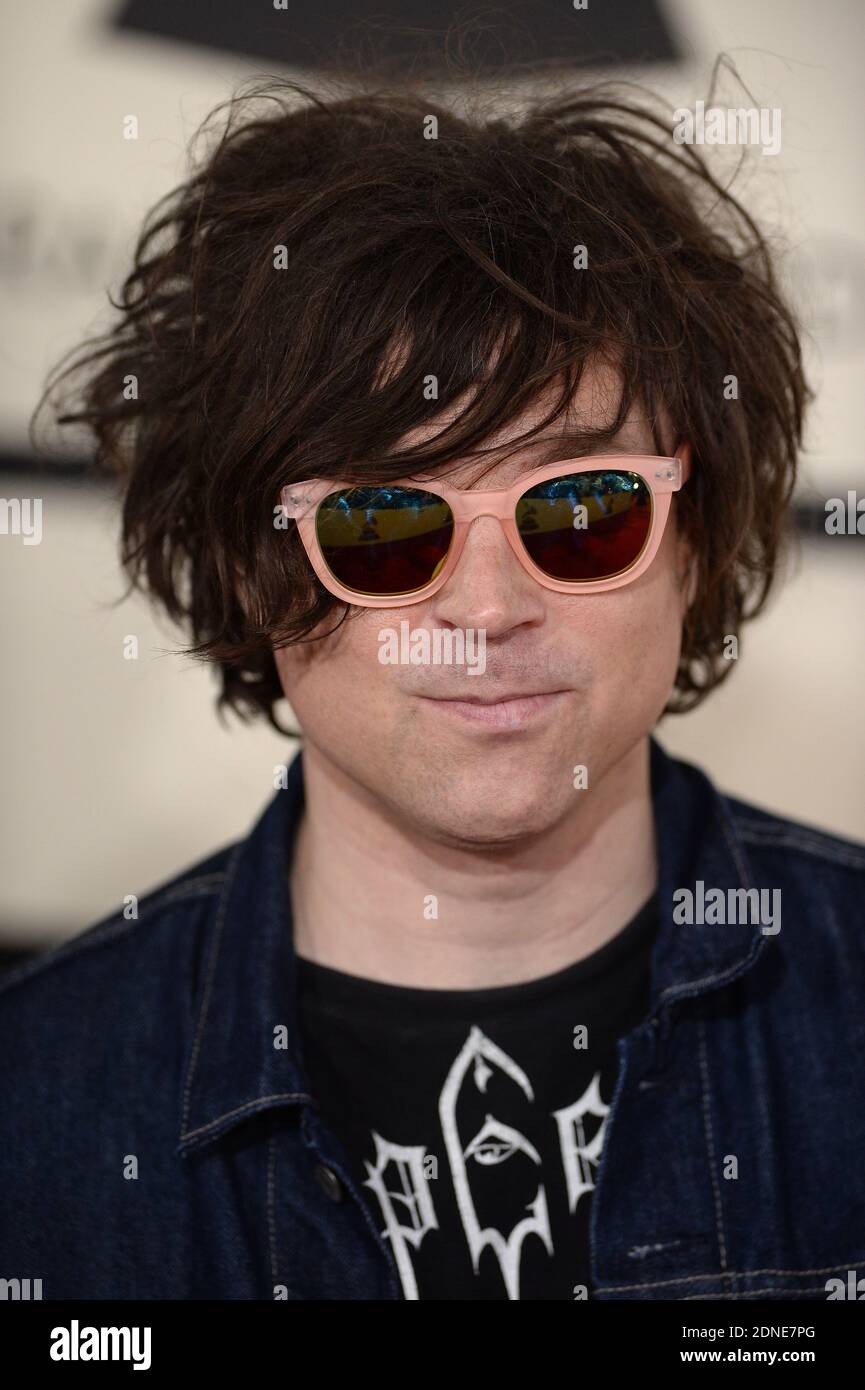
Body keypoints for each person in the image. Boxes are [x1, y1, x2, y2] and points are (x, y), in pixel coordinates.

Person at [2, 73, 863, 1303]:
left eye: (579, 509)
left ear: (693, 539)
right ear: (255, 566)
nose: (488, 606)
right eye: (385, 521)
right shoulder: (39, 1097)